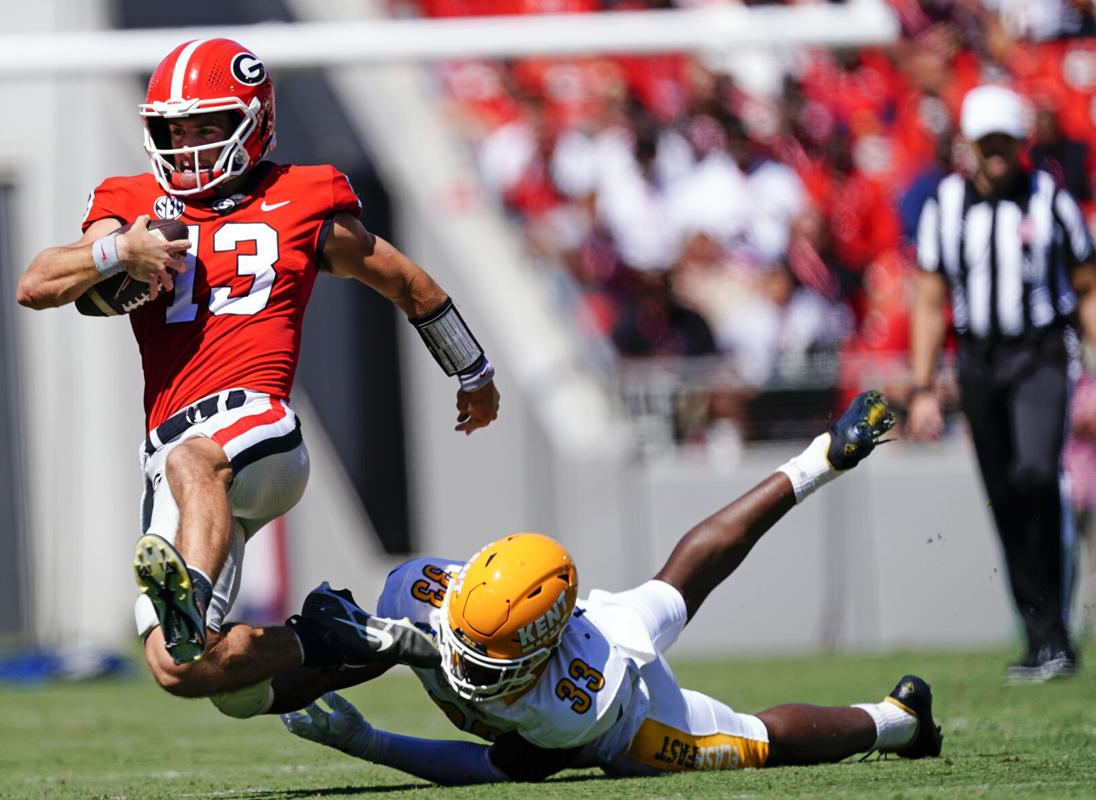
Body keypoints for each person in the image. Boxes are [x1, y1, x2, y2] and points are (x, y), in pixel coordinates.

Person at [15, 38, 498, 717]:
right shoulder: (131, 201)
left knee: (196, 458)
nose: (187, 147)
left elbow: (408, 283)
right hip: (168, 450)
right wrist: (120, 248)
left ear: (254, 121)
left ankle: (191, 585)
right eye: (174, 131)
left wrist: (473, 370)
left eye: (207, 127)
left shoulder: (302, 195)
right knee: (185, 669)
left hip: (257, 426)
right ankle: (335, 636)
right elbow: (36, 285)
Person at [280, 391, 944, 784]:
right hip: (603, 621)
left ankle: (897, 725)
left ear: (540, 653)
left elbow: (493, 768)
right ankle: (822, 457)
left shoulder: (570, 705)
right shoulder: (417, 594)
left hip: (632, 722)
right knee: (678, 578)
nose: (467, 663)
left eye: (494, 657)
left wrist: (366, 743)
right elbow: (407, 643)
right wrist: (328, 667)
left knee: (754, 742)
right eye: (463, 640)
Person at [906, 84, 1096, 683]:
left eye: (1003, 142)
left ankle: (1058, 631)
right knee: (1005, 498)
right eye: (984, 142)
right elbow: (931, 300)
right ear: (967, 144)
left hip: (1040, 353)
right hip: (979, 363)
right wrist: (921, 387)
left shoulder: (1050, 201)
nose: (994, 153)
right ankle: (1038, 633)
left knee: (1037, 475)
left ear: (1020, 143)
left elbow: (1087, 287)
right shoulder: (945, 206)